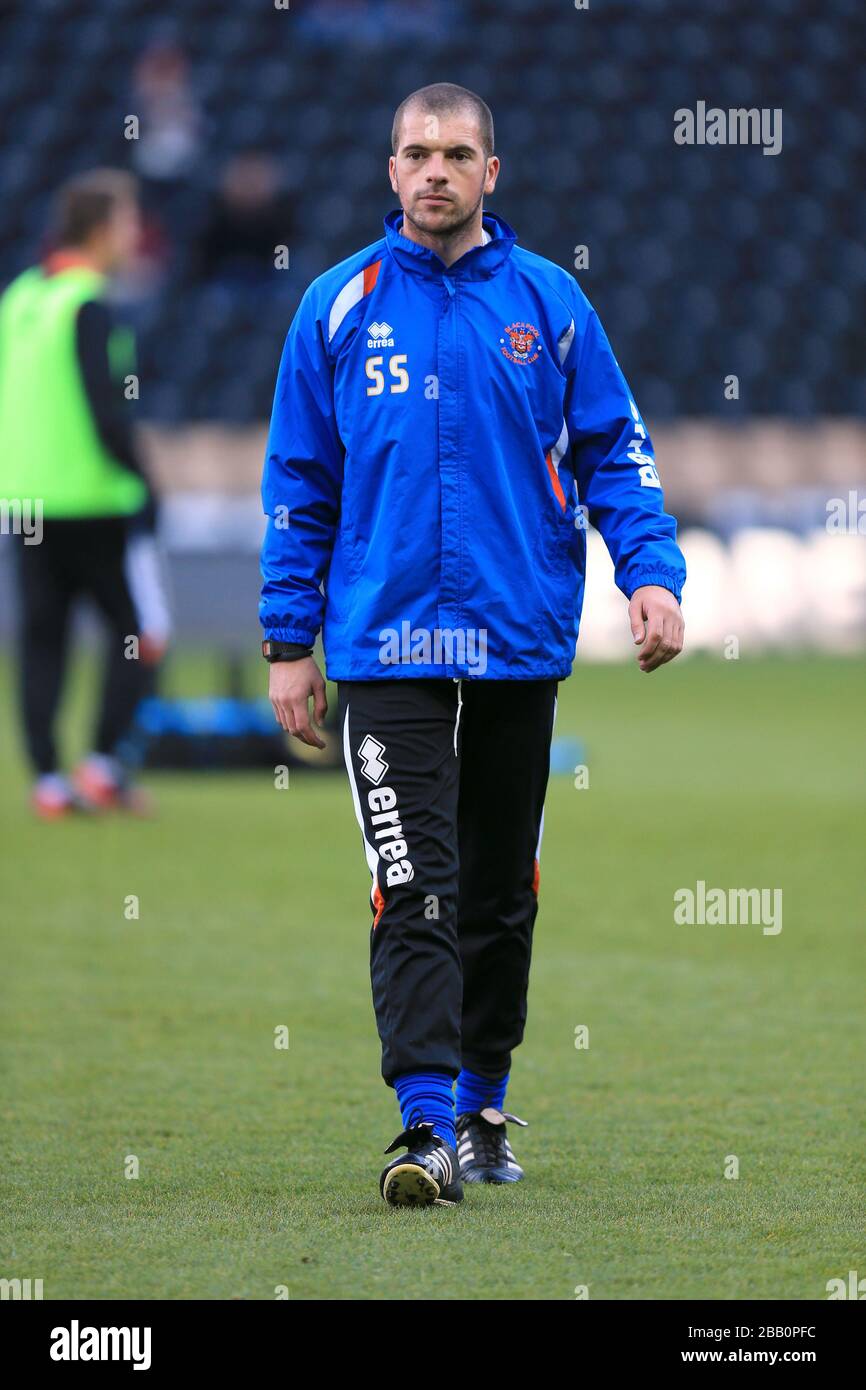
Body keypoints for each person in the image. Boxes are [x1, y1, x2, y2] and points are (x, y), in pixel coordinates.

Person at [259, 84, 686, 1207]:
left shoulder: (549, 302)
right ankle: (423, 1126)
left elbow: (614, 453)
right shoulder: (335, 307)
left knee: (499, 894)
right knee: (413, 887)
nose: (435, 170)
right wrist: (284, 640)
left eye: (457, 153)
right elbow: (298, 483)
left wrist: (650, 576)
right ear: (388, 171)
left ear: (490, 172)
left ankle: (485, 1100)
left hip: (516, 635)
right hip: (381, 644)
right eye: (416, 153)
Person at [0, 169, 169, 818]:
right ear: (100, 231)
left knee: (43, 640)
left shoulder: (20, 296)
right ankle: (102, 767)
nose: (136, 236)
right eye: (128, 222)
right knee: (139, 633)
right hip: (93, 500)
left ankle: (47, 780)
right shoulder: (88, 304)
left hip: (27, 500)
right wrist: (146, 482)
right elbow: (106, 413)